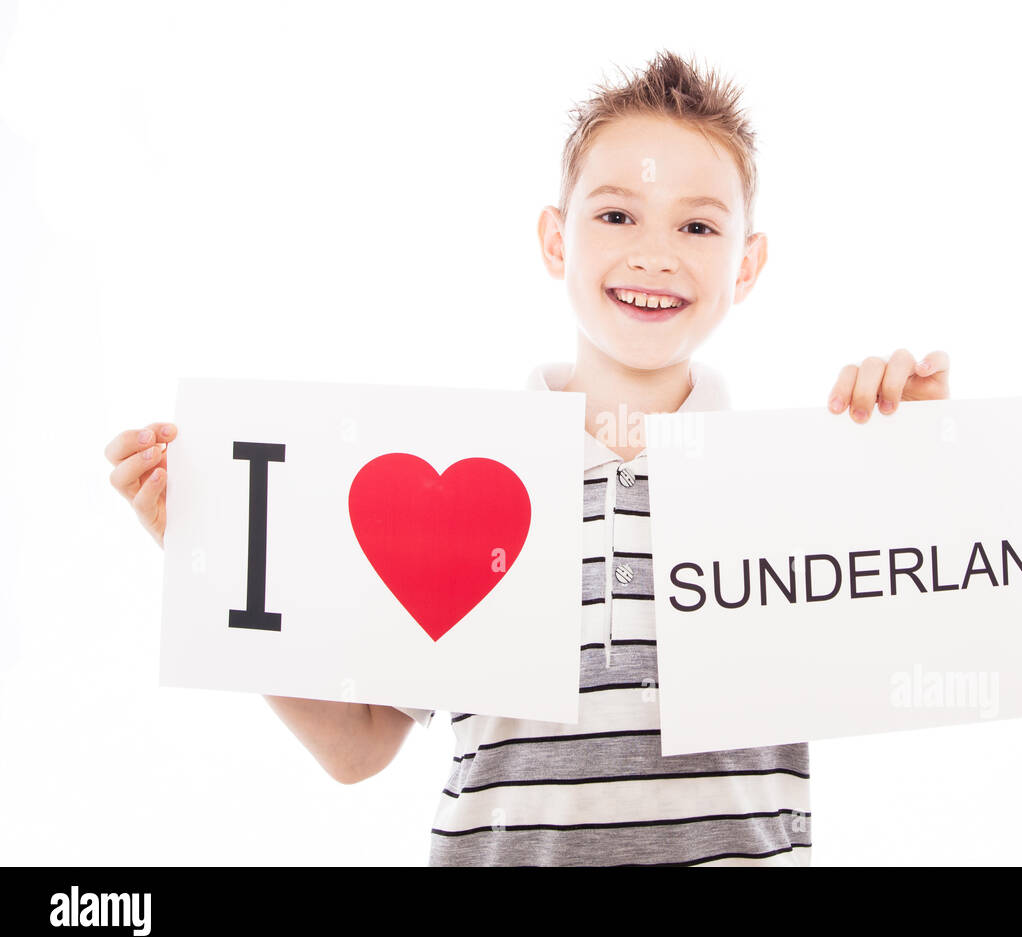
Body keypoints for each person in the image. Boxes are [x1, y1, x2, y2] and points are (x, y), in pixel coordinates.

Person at [103, 49, 950, 865]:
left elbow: (930, 647)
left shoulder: (788, 487)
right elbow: (356, 750)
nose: (655, 253)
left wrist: (924, 467)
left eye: (698, 225)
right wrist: (210, 558)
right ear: (556, 240)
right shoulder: (460, 485)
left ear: (749, 263)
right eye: (616, 215)